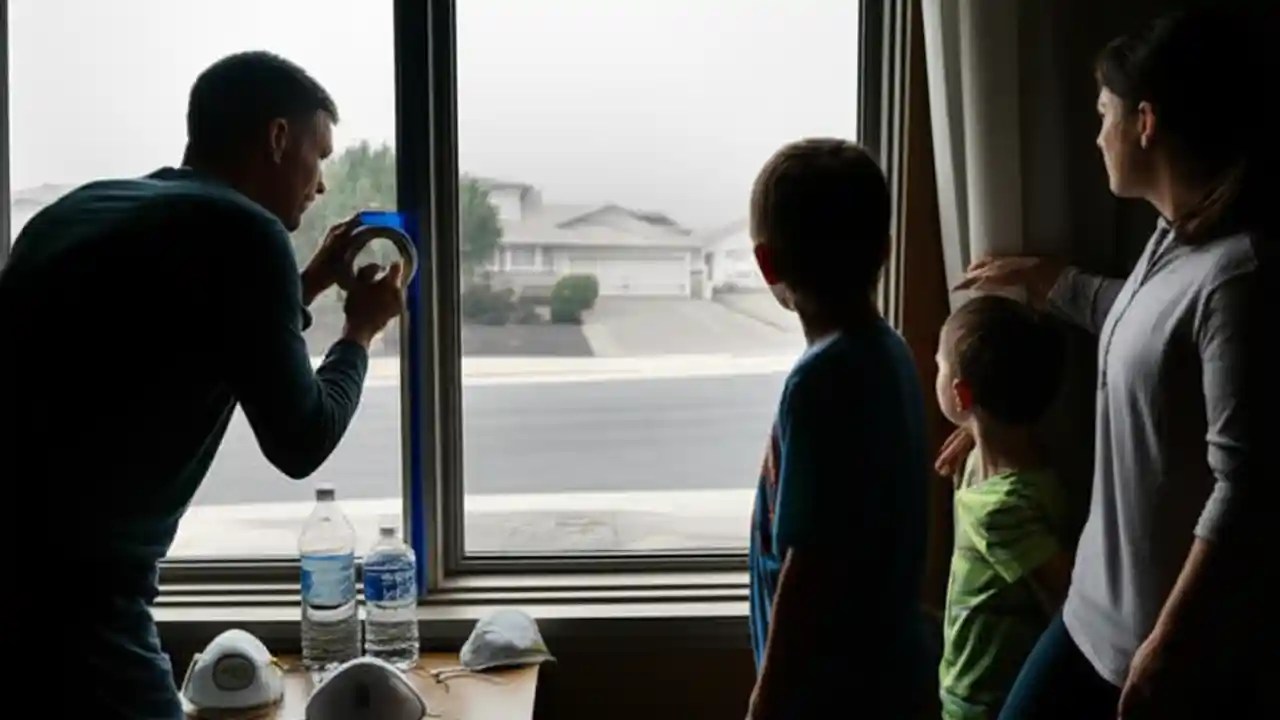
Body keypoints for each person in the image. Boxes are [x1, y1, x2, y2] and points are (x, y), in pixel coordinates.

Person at [0, 52, 403, 718]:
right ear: (277, 139)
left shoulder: (80, 210)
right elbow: (301, 441)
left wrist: (302, 283)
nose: (321, 184)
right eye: (318, 155)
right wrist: (360, 331)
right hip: (80, 610)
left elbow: (181, 337)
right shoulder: (248, 235)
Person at [938, 7, 1274, 718]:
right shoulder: (1171, 242)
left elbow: (1247, 487)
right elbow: (1142, 327)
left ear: (1144, 122)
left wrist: (1170, 641)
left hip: (1153, 641)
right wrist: (1047, 282)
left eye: (1103, 114)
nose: (1097, 135)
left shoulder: (1235, 278)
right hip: (1090, 608)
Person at [745, 138, 930, 719]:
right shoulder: (889, 352)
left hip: (828, 693)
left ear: (767, 263)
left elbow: (810, 566)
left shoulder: (823, 382)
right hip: (884, 670)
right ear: (885, 249)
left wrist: (765, 702)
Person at [934, 295, 1073, 719]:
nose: (934, 370)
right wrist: (973, 431)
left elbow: (1068, 599)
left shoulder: (1003, 511)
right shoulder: (1005, 457)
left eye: (940, 365)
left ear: (961, 393)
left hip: (984, 698)